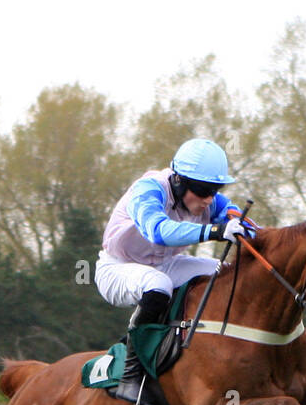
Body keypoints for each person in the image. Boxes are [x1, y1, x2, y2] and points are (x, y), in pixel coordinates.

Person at [96, 137, 256, 332]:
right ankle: (134, 355)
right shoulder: (148, 189)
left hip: (167, 264)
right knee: (158, 284)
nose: (208, 199)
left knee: (229, 274)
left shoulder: (210, 201)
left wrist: (246, 231)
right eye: (203, 190)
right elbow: (159, 231)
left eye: (215, 190)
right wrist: (216, 231)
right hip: (118, 267)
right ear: (178, 180)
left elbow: (250, 229)